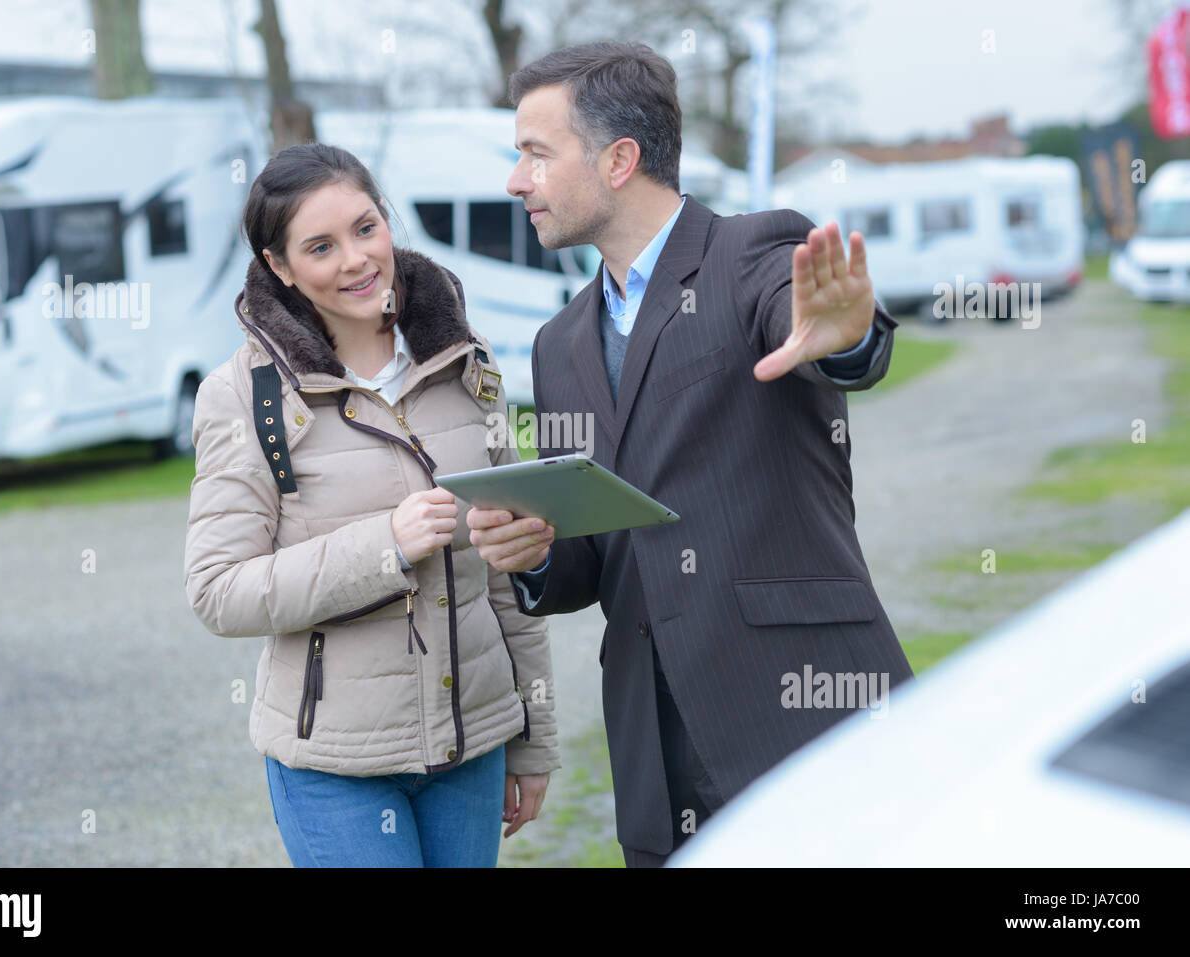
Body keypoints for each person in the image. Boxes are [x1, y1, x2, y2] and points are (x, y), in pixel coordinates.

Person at [466, 41, 915, 867]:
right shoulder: (556, 345)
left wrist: (842, 341)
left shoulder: (752, 253)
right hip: (658, 753)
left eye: (534, 153)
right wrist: (530, 553)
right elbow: (589, 558)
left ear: (618, 160)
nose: (515, 181)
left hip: (804, 712)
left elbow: (812, 328)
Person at [183, 143, 558, 867]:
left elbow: (505, 570)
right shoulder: (244, 396)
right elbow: (217, 590)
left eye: (365, 228)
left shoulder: (466, 362)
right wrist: (381, 546)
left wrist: (533, 734)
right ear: (280, 267)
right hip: (334, 767)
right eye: (320, 246)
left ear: (387, 220)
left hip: (470, 749)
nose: (356, 260)